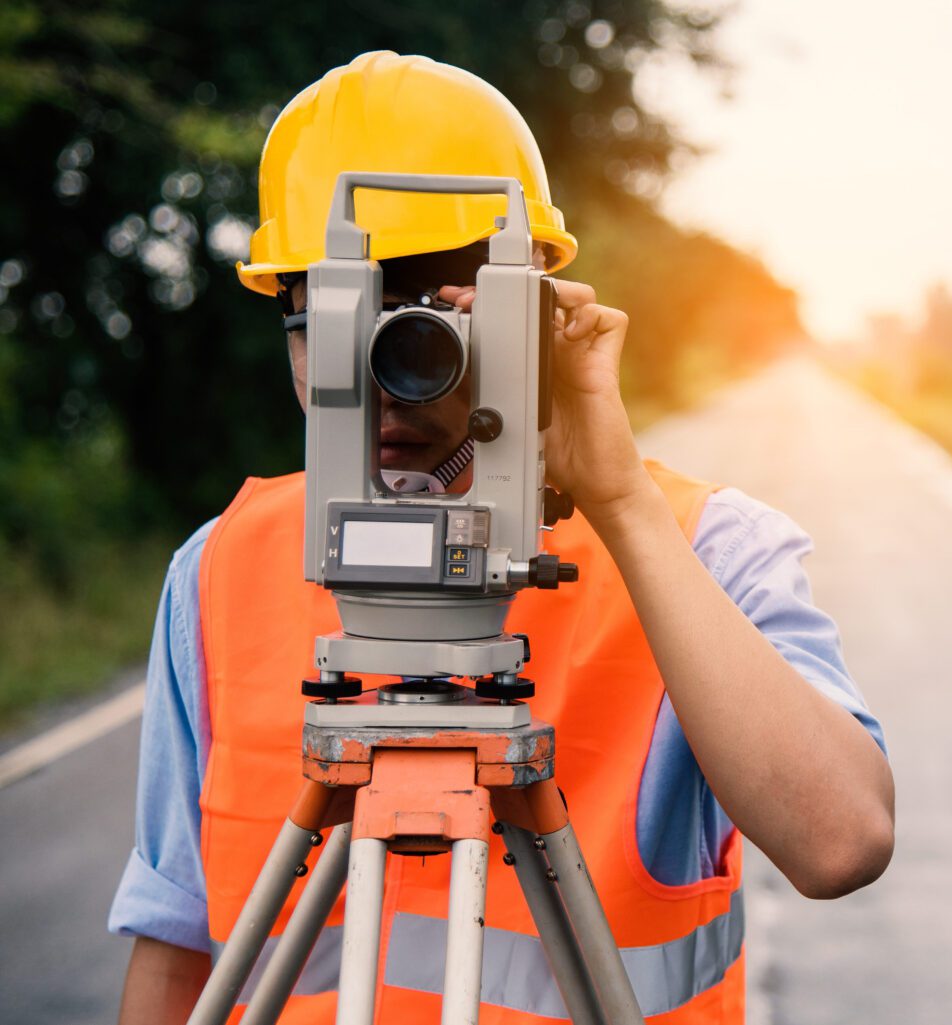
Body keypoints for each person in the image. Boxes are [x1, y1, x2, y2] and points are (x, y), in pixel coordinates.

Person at [108, 51, 894, 1023]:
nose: (392, 375)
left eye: (430, 324)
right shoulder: (217, 569)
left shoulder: (701, 546)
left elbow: (840, 841)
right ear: (291, 321)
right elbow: (177, 946)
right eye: (341, 319)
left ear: (531, 312)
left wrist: (618, 500)